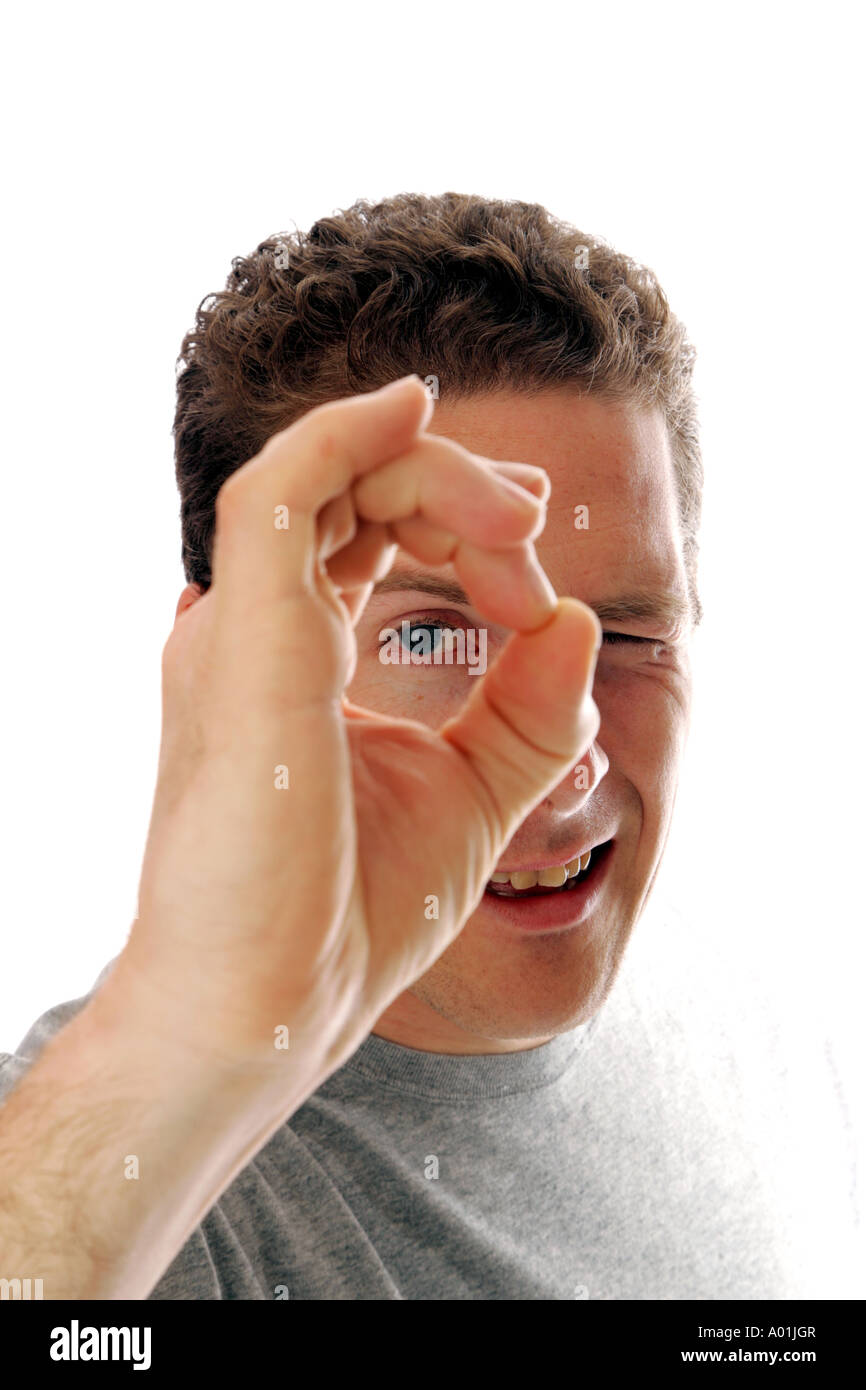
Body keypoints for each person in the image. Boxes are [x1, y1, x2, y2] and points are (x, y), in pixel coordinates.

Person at [0, 193, 856, 1300]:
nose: (567, 753)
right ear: (221, 678)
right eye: (430, 632)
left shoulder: (768, 1034)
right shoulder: (132, 1200)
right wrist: (174, 1042)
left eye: (628, 633)